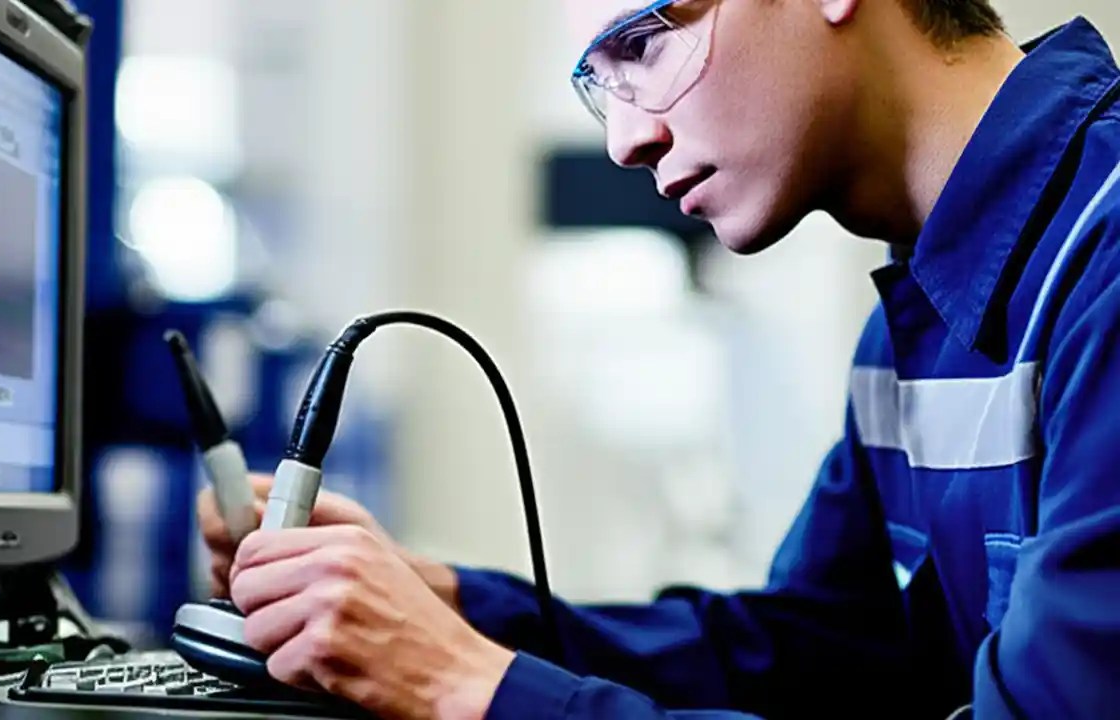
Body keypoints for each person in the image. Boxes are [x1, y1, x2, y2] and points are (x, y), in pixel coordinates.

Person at [200, 0, 1120, 717]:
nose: (624, 140)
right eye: (597, 83)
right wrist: (438, 606)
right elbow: (815, 657)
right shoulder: (914, 314)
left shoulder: (1105, 262)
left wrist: (467, 689)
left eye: (642, 43)